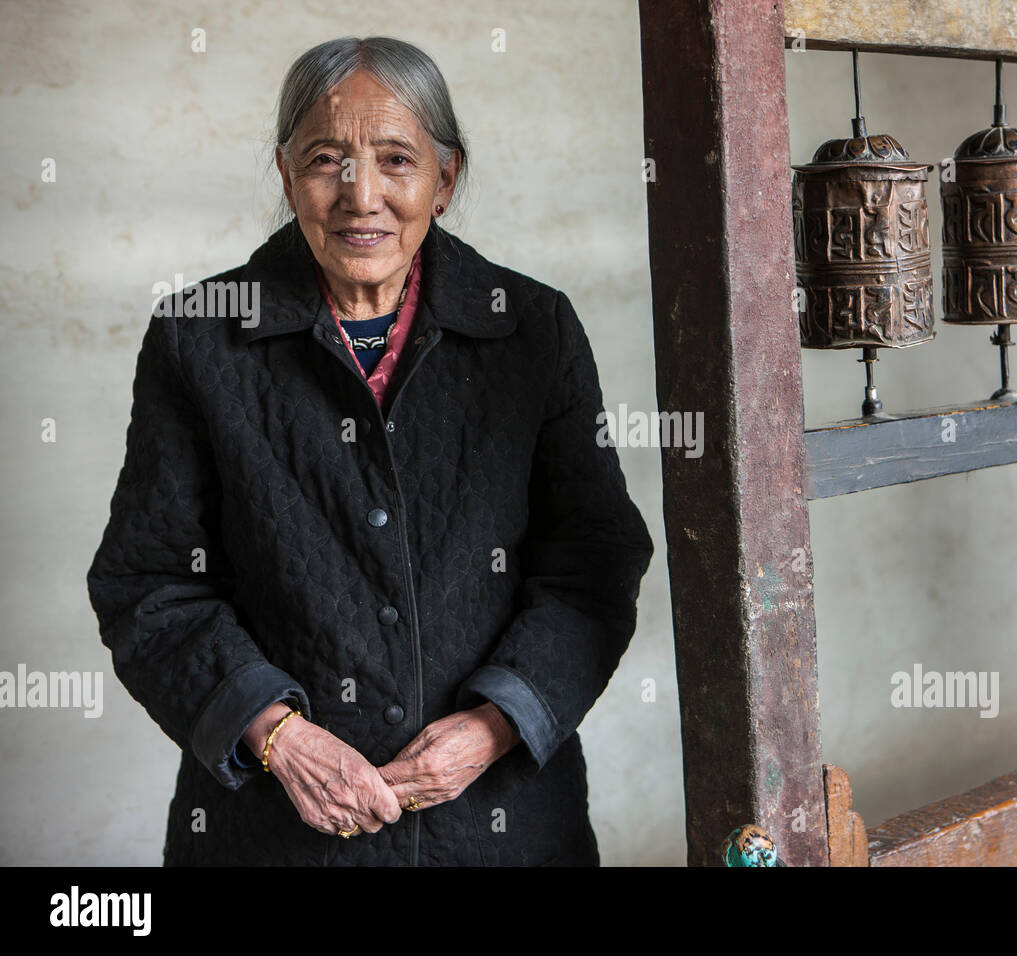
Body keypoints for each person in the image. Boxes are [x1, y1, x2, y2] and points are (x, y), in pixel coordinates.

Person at [86, 36, 654, 866]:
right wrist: (280, 739)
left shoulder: (532, 330)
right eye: (326, 160)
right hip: (273, 836)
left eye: (396, 159)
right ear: (286, 176)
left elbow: (593, 563)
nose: (362, 195)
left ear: (445, 180)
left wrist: (497, 724)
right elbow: (149, 583)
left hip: (499, 828)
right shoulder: (198, 340)